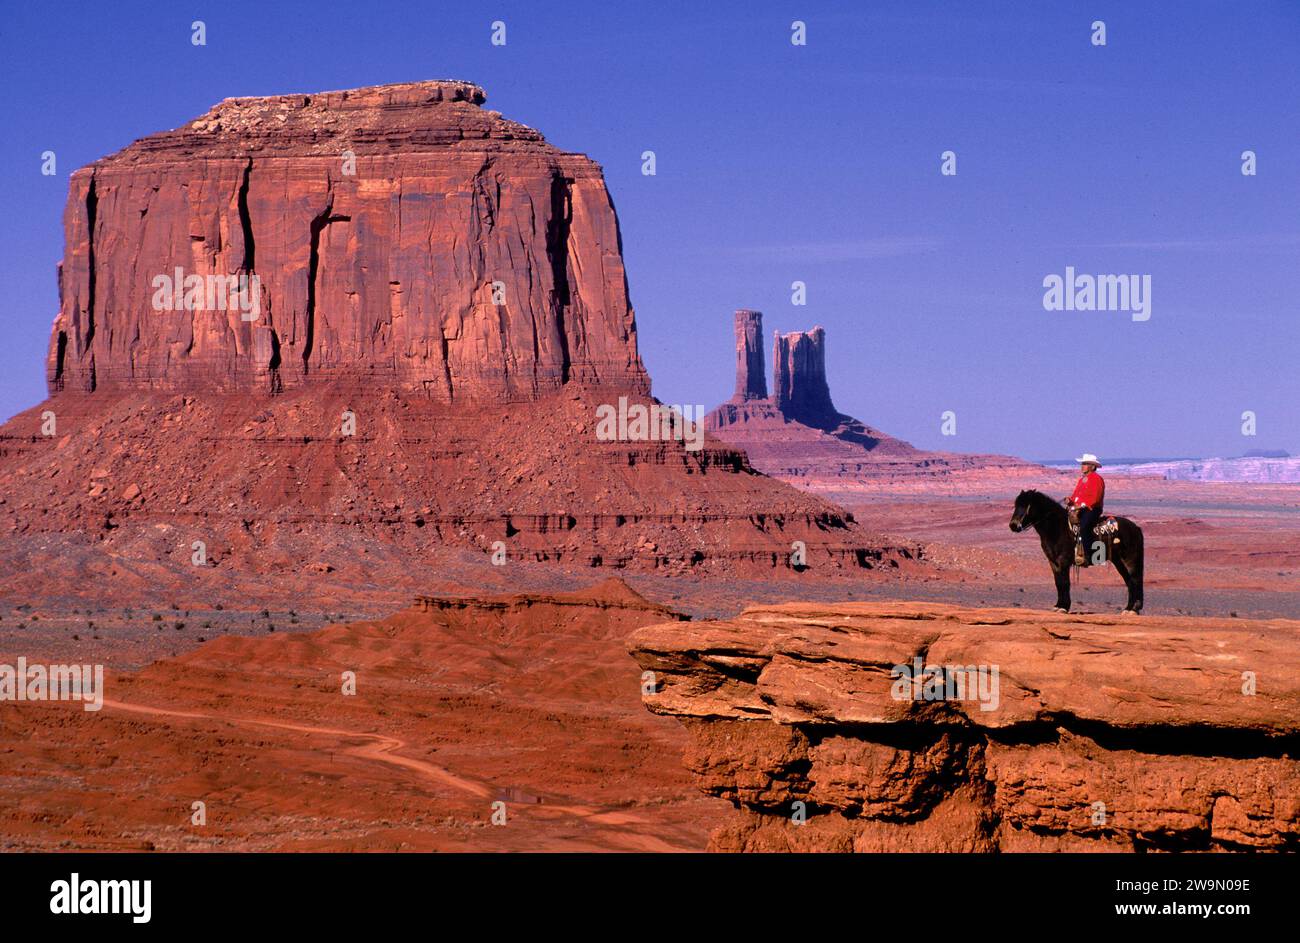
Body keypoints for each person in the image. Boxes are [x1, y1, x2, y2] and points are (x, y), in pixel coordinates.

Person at [1066, 453, 1105, 566]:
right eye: (1082, 464)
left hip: (1092, 509)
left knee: (1084, 527)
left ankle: (1089, 556)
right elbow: (1075, 496)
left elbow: (1095, 498)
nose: (1082, 466)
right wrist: (1070, 501)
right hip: (1080, 509)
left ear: (1092, 467)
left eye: (1085, 464)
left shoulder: (1097, 479)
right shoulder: (1082, 480)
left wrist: (1079, 506)